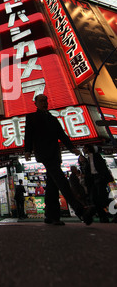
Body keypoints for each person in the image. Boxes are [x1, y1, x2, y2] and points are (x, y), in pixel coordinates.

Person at [24, 94, 93, 225]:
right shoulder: (31, 117)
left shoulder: (52, 118)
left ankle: (51, 216)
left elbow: (62, 135)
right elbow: (28, 135)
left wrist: (72, 148)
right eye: (41, 101)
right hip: (44, 154)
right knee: (62, 181)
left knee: (52, 186)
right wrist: (27, 150)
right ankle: (80, 211)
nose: (45, 103)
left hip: (55, 154)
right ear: (36, 103)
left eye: (46, 100)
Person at [81, 145, 114, 222]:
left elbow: (101, 167)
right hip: (94, 180)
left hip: (99, 179)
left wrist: (101, 177)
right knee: (97, 199)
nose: (83, 150)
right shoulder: (89, 158)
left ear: (87, 149)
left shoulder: (96, 156)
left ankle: (107, 215)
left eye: (84, 148)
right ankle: (103, 216)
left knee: (101, 198)